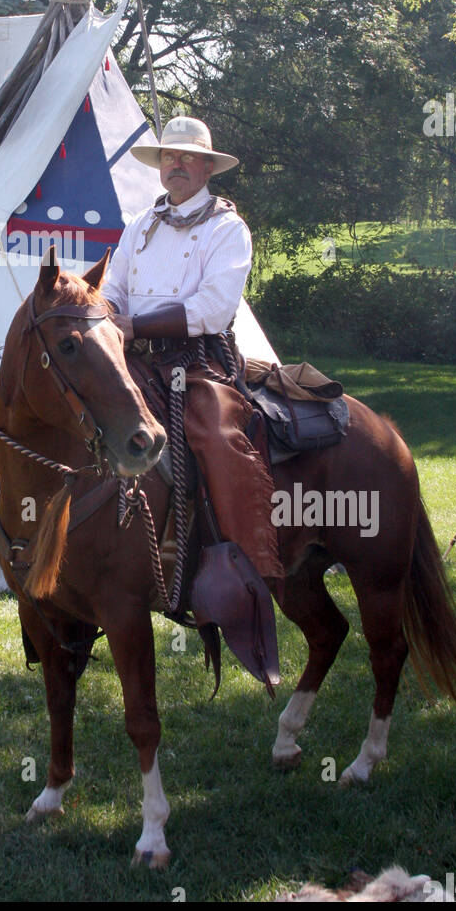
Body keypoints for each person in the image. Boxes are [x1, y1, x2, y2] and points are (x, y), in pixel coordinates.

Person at [101, 116, 282, 582]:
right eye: (168, 156)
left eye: (187, 157)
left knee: (218, 439)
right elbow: (114, 287)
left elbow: (213, 309)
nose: (176, 164)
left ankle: (246, 566)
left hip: (197, 363)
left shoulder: (228, 228)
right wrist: (103, 313)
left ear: (206, 168)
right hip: (134, 357)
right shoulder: (140, 223)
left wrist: (133, 325)